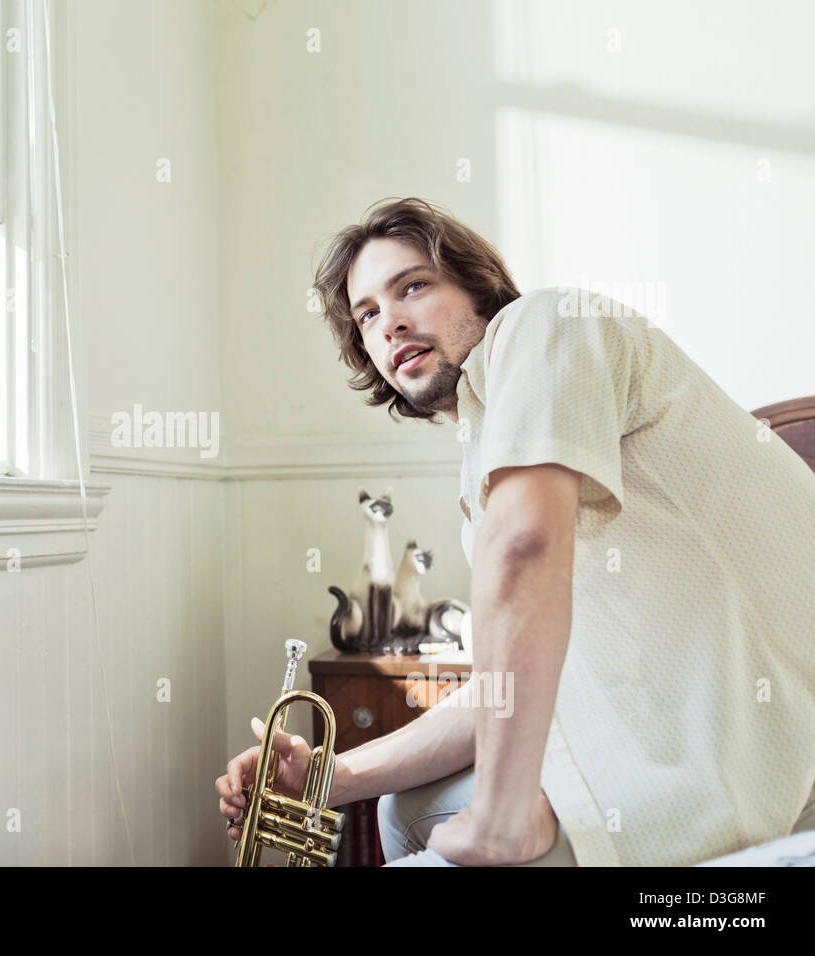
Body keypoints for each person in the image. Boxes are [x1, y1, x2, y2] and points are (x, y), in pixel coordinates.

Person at [216, 197, 815, 866]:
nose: (390, 324)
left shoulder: (549, 323)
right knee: (402, 807)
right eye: (368, 315)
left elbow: (524, 547)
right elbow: (504, 688)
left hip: (741, 769)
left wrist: (501, 820)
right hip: (656, 749)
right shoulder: (491, 440)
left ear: (478, 286)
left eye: (412, 286)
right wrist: (330, 777)